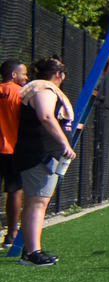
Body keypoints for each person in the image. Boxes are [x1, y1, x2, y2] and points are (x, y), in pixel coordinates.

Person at [14, 57, 76, 266]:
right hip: (39, 153)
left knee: (37, 201)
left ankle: (30, 249)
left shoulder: (42, 88)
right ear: (59, 74)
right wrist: (64, 143)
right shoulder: (43, 89)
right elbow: (46, 116)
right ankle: (33, 252)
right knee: (37, 202)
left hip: (42, 153)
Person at [0, 59, 25, 251]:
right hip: (12, 149)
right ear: (13, 74)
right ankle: (11, 234)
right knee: (15, 191)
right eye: (23, 73)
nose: (26, 77)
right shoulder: (20, 93)